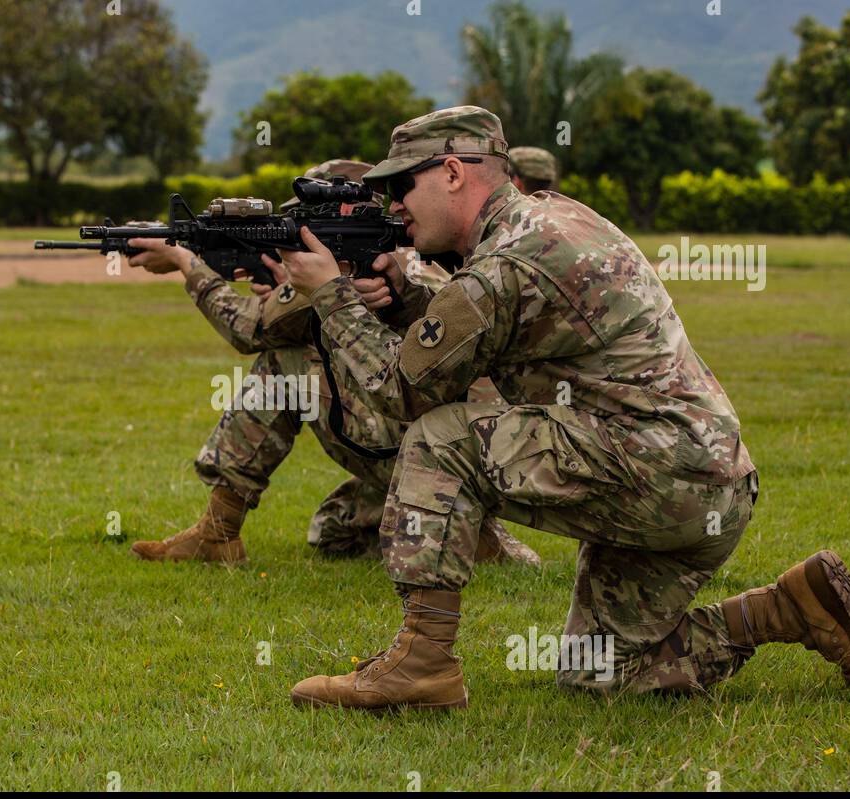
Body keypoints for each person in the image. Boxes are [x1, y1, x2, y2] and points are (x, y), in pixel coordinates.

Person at [277, 107, 850, 710]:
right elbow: (475, 334)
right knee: (600, 672)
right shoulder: (553, 217)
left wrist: (330, 297)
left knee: (443, 439)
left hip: (655, 472)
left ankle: (422, 664)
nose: (394, 207)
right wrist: (404, 295)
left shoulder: (503, 264)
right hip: (701, 480)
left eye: (402, 185)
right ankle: (788, 608)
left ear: (454, 172)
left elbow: (396, 390)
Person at [125, 159, 540, 566]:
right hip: (463, 442)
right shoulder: (414, 256)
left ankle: (218, 533)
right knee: (334, 529)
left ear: (341, 210)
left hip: (438, 445)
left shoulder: (356, 266)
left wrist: (186, 263)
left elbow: (247, 329)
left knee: (284, 364)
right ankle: (461, 525)